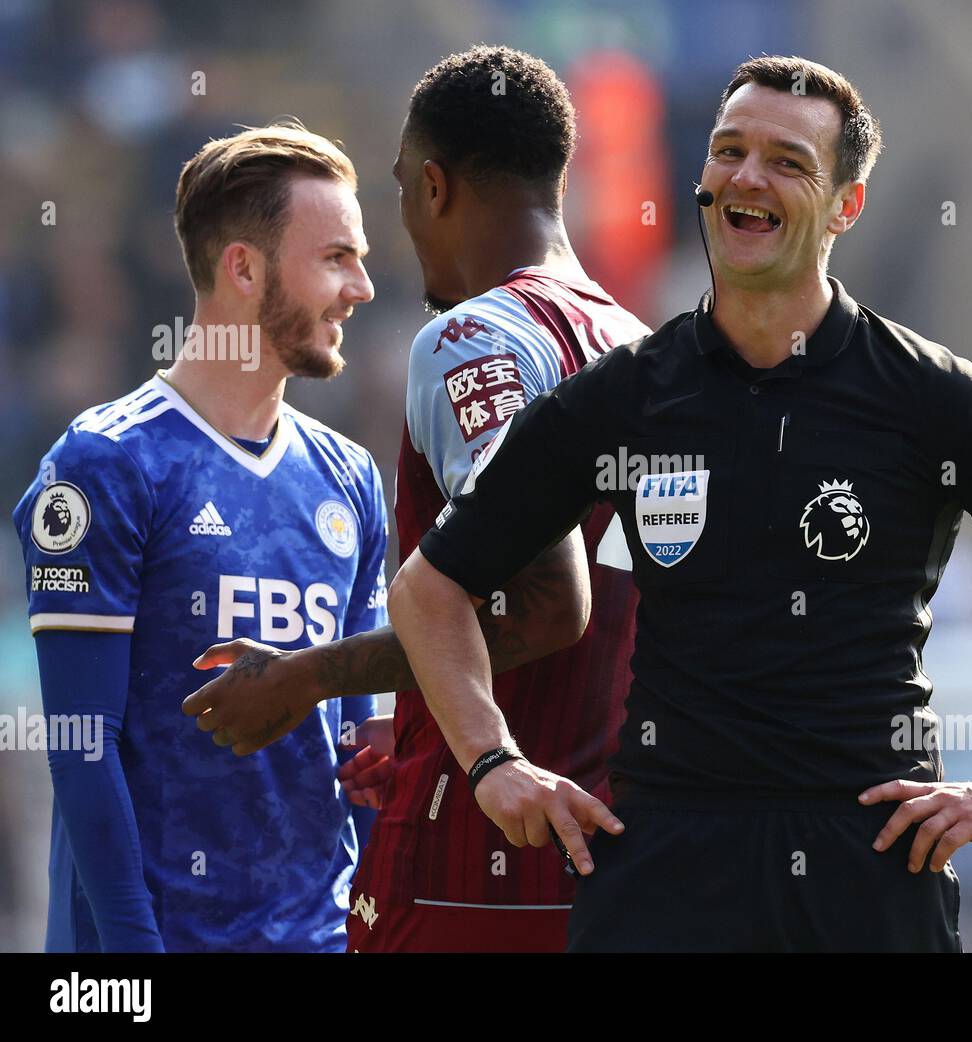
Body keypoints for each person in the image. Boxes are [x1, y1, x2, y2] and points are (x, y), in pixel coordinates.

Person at [386, 56, 972, 953]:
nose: (747, 177)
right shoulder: (625, 396)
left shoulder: (930, 398)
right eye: (729, 152)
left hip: (868, 863)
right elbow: (429, 589)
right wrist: (491, 761)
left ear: (847, 205)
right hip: (665, 867)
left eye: (789, 161)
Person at [182, 47, 649, 952]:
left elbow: (545, 604)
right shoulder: (640, 342)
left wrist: (302, 678)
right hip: (606, 863)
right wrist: (423, 712)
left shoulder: (471, 339)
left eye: (398, 191)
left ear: (433, 186)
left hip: (470, 866)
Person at [12, 122, 387, 952]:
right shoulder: (106, 463)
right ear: (243, 268)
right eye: (335, 258)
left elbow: (360, 741)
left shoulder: (350, 478)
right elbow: (81, 750)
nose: (361, 286)